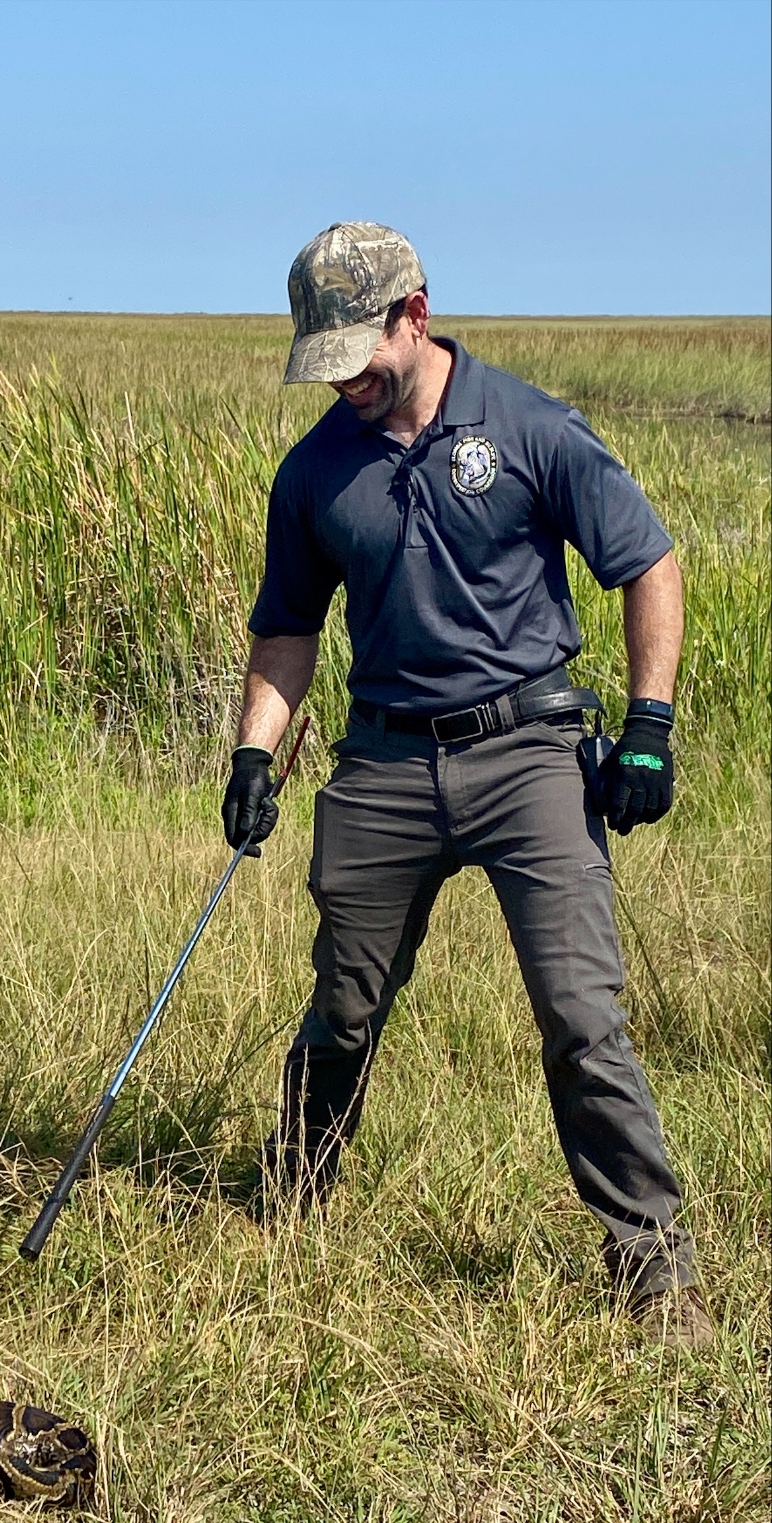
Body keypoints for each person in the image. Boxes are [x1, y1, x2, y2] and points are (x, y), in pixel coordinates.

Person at [222, 221, 711, 1349]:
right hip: (384, 762)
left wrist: (649, 726)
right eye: (325, 362)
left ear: (417, 314)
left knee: (581, 1018)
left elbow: (648, 562)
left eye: (359, 356)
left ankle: (656, 1274)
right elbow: (288, 628)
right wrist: (253, 752)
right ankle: (287, 1207)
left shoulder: (530, 427)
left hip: (530, 749)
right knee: (343, 1007)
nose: (344, 381)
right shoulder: (315, 472)